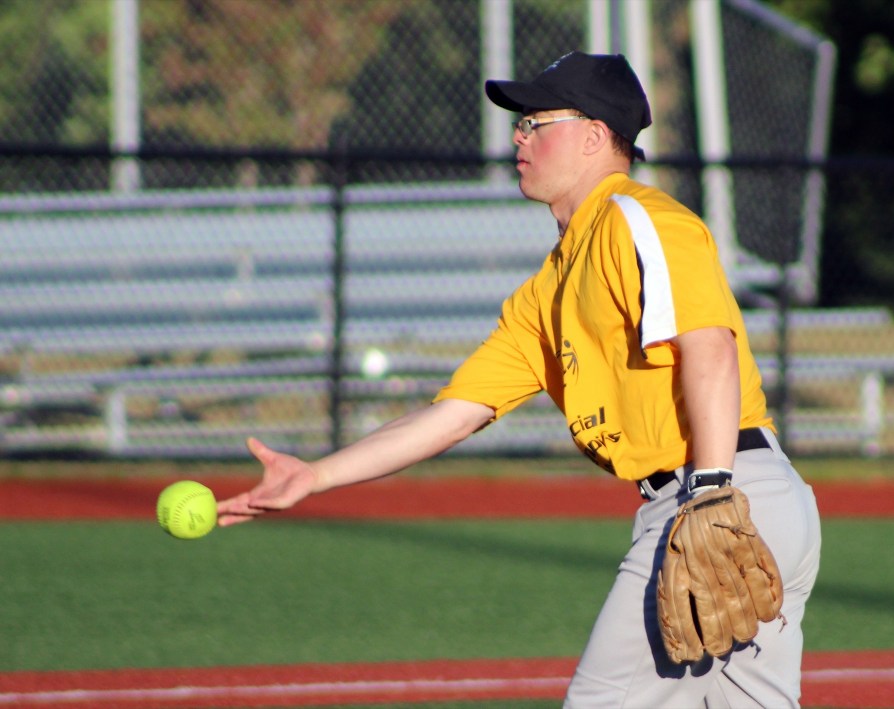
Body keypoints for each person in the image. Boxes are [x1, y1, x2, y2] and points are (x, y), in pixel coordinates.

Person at [217, 51, 821, 708]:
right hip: (730, 498)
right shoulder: (547, 292)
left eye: (537, 121)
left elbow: (710, 347)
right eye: (520, 122)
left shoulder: (635, 220)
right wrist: (317, 475)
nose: (518, 136)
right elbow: (453, 413)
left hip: (717, 497)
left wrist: (709, 491)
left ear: (594, 136)